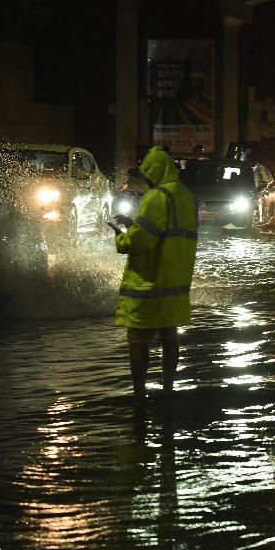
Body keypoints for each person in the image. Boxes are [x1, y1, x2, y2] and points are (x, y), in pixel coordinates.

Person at [111, 147, 197, 402]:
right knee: (169, 335)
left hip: (149, 282)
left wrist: (122, 237)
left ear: (155, 174)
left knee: (138, 339)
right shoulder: (186, 197)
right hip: (176, 281)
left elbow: (141, 241)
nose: (146, 181)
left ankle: (139, 395)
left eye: (148, 176)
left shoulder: (157, 196)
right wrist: (133, 223)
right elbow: (167, 230)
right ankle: (168, 390)